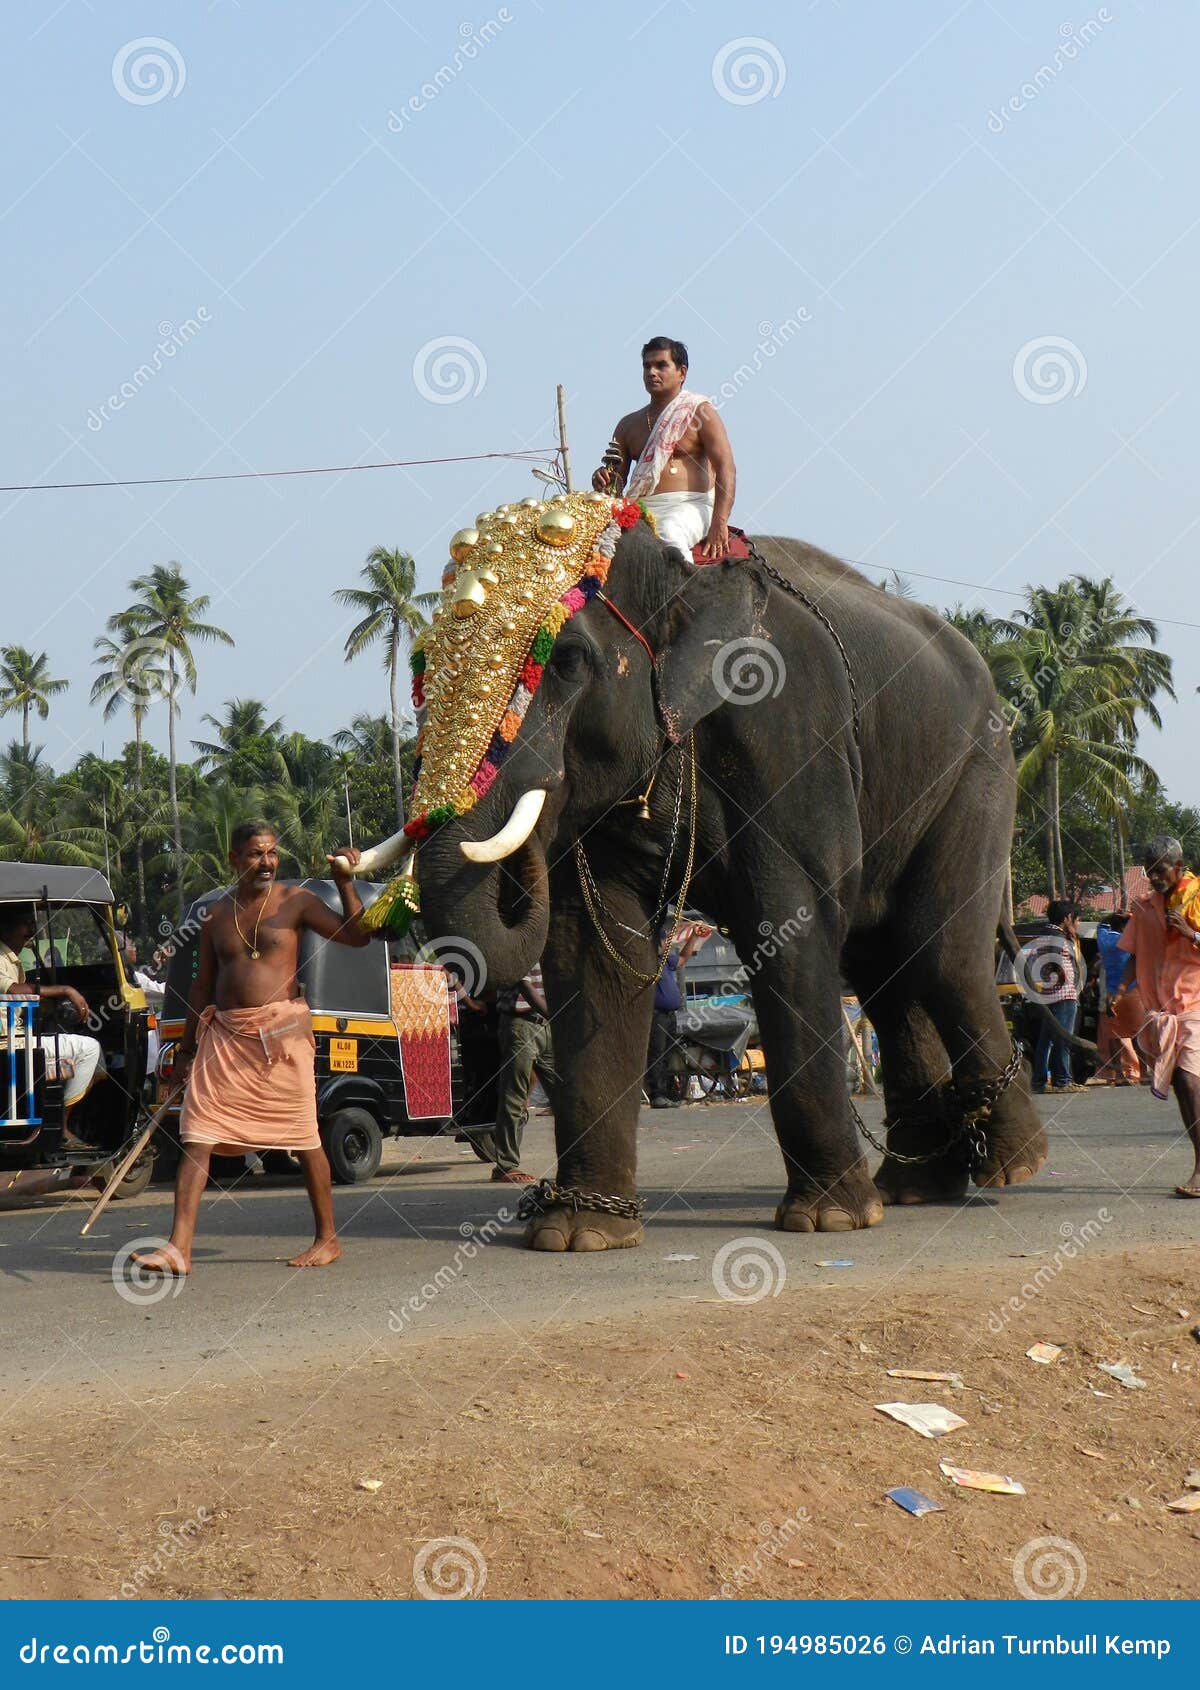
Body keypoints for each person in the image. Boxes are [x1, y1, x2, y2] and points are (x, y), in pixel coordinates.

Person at [132, 821, 369, 1275]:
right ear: (234, 859)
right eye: (257, 854)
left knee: (304, 1137)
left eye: (273, 853)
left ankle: (328, 1239)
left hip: (281, 1035)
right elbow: (202, 985)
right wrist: (185, 1052)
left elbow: (357, 937)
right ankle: (178, 1247)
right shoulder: (215, 914)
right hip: (225, 1037)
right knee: (198, 1133)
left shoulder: (295, 901)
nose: (267, 862)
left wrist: (346, 884)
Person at [591, 337, 736, 561]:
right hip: (641, 510)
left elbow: (726, 468)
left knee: (669, 534)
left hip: (689, 506)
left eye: (661, 365)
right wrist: (602, 480)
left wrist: (720, 522)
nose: (652, 372)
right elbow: (615, 488)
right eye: (647, 366)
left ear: (682, 372)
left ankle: (682, 596)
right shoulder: (628, 425)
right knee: (596, 546)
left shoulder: (700, 412)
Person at [1110, 835, 1200, 1197]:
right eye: (1149, 871)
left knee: (1191, 1081)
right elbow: (1133, 953)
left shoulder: (1196, 898)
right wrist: (1117, 991)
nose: (1153, 876)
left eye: (1160, 869)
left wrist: (1192, 933)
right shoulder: (1145, 908)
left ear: (1178, 867)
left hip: (1196, 1005)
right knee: (1181, 1083)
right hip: (1161, 1010)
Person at [0, 904, 105, 1142]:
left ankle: (53, 1121)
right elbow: (15, 992)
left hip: (14, 1043)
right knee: (90, 1050)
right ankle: (59, 1126)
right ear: (6, 931)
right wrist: (65, 990)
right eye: (26, 924)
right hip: (9, 1047)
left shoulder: (12, 959)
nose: (32, 930)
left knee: (69, 1063)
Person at [492, 960, 558, 1185]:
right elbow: (526, 987)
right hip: (522, 1024)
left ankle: (574, 1158)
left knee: (563, 1094)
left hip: (543, 1024)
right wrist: (555, 1015)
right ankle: (506, 1165)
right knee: (515, 1097)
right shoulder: (520, 945)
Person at [646, 921, 712, 1107]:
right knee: (657, 1054)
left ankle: (667, 1092)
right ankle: (656, 1094)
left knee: (667, 1053)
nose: (668, 943)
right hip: (656, 1015)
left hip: (670, 1016)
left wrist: (694, 936)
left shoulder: (666, 960)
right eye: (665, 940)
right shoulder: (649, 962)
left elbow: (684, 957)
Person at [1029, 899, 1083, 1094]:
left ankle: (1039, 1081)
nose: (1078, 923)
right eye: (1077, 919)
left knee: (1046, 1039)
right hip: (1064, 995)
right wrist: (1061, 975)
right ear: (1068, 917)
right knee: (1063, 1038)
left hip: (1049, 994)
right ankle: (1063, 1080)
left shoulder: (1045, 933)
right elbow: (1056, 961)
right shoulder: (1056, 935)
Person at [1093, 913, 1144, 1085]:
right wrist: (1132, 915)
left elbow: (1101, 925)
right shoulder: (1127, 941)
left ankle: (1119, 1075)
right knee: (1138, 1033)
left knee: (1114, 1035)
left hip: (1110, 993)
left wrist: (1111, 916)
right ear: (1125, 928)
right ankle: (1145, 1072)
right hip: (1132, 989)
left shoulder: (1104, 940)